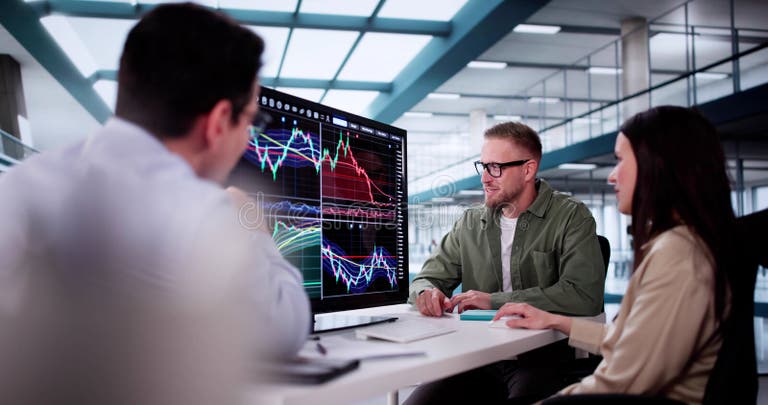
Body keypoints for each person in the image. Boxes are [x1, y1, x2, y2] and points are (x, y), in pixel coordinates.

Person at [0, 3, 309, 403]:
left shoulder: (20, 183)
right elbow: (285, 327)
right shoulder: (202, 212)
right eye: (251, 120)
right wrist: (253, 225)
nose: (249, 137)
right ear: (218, 122)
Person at [493, 106, 734, 404]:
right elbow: (630, 343)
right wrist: (555, 321)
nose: (611, 177)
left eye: (620, 160)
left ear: (657, 165)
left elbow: (622, 382)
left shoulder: (679, 255)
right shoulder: (685, 243)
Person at [405, 121, 606, 403]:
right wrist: (427, 293)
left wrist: (494, 301)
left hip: (540, 358)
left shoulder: (571, 217)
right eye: (483, 166)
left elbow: (583, 295)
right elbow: (426, 279)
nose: (485, 178)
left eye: (495, 168)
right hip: (478, 355)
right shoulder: (470, 223)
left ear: (528, 170)